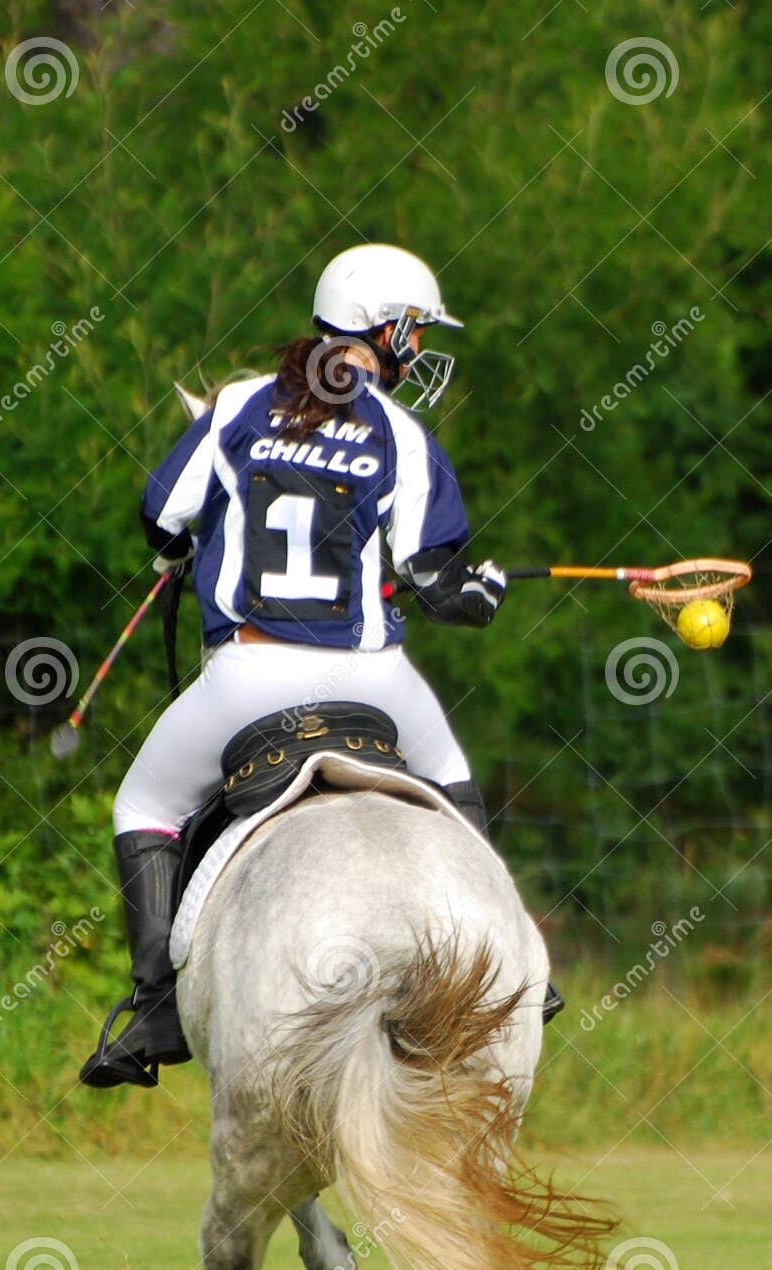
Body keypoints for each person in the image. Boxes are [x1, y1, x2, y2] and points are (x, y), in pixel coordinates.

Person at [81, 242, 559, 1092]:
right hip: (372, 681)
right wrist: (481, 591)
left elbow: (160, 518)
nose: (418, 347)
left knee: (144, 807)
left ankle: (156, 1008)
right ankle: (515, 968)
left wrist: (192, 543)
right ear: (382, 327)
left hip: (248, 679)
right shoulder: (401, 435)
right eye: (415, 329)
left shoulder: (237, 405)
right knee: (451, 777)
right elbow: (436, 584)